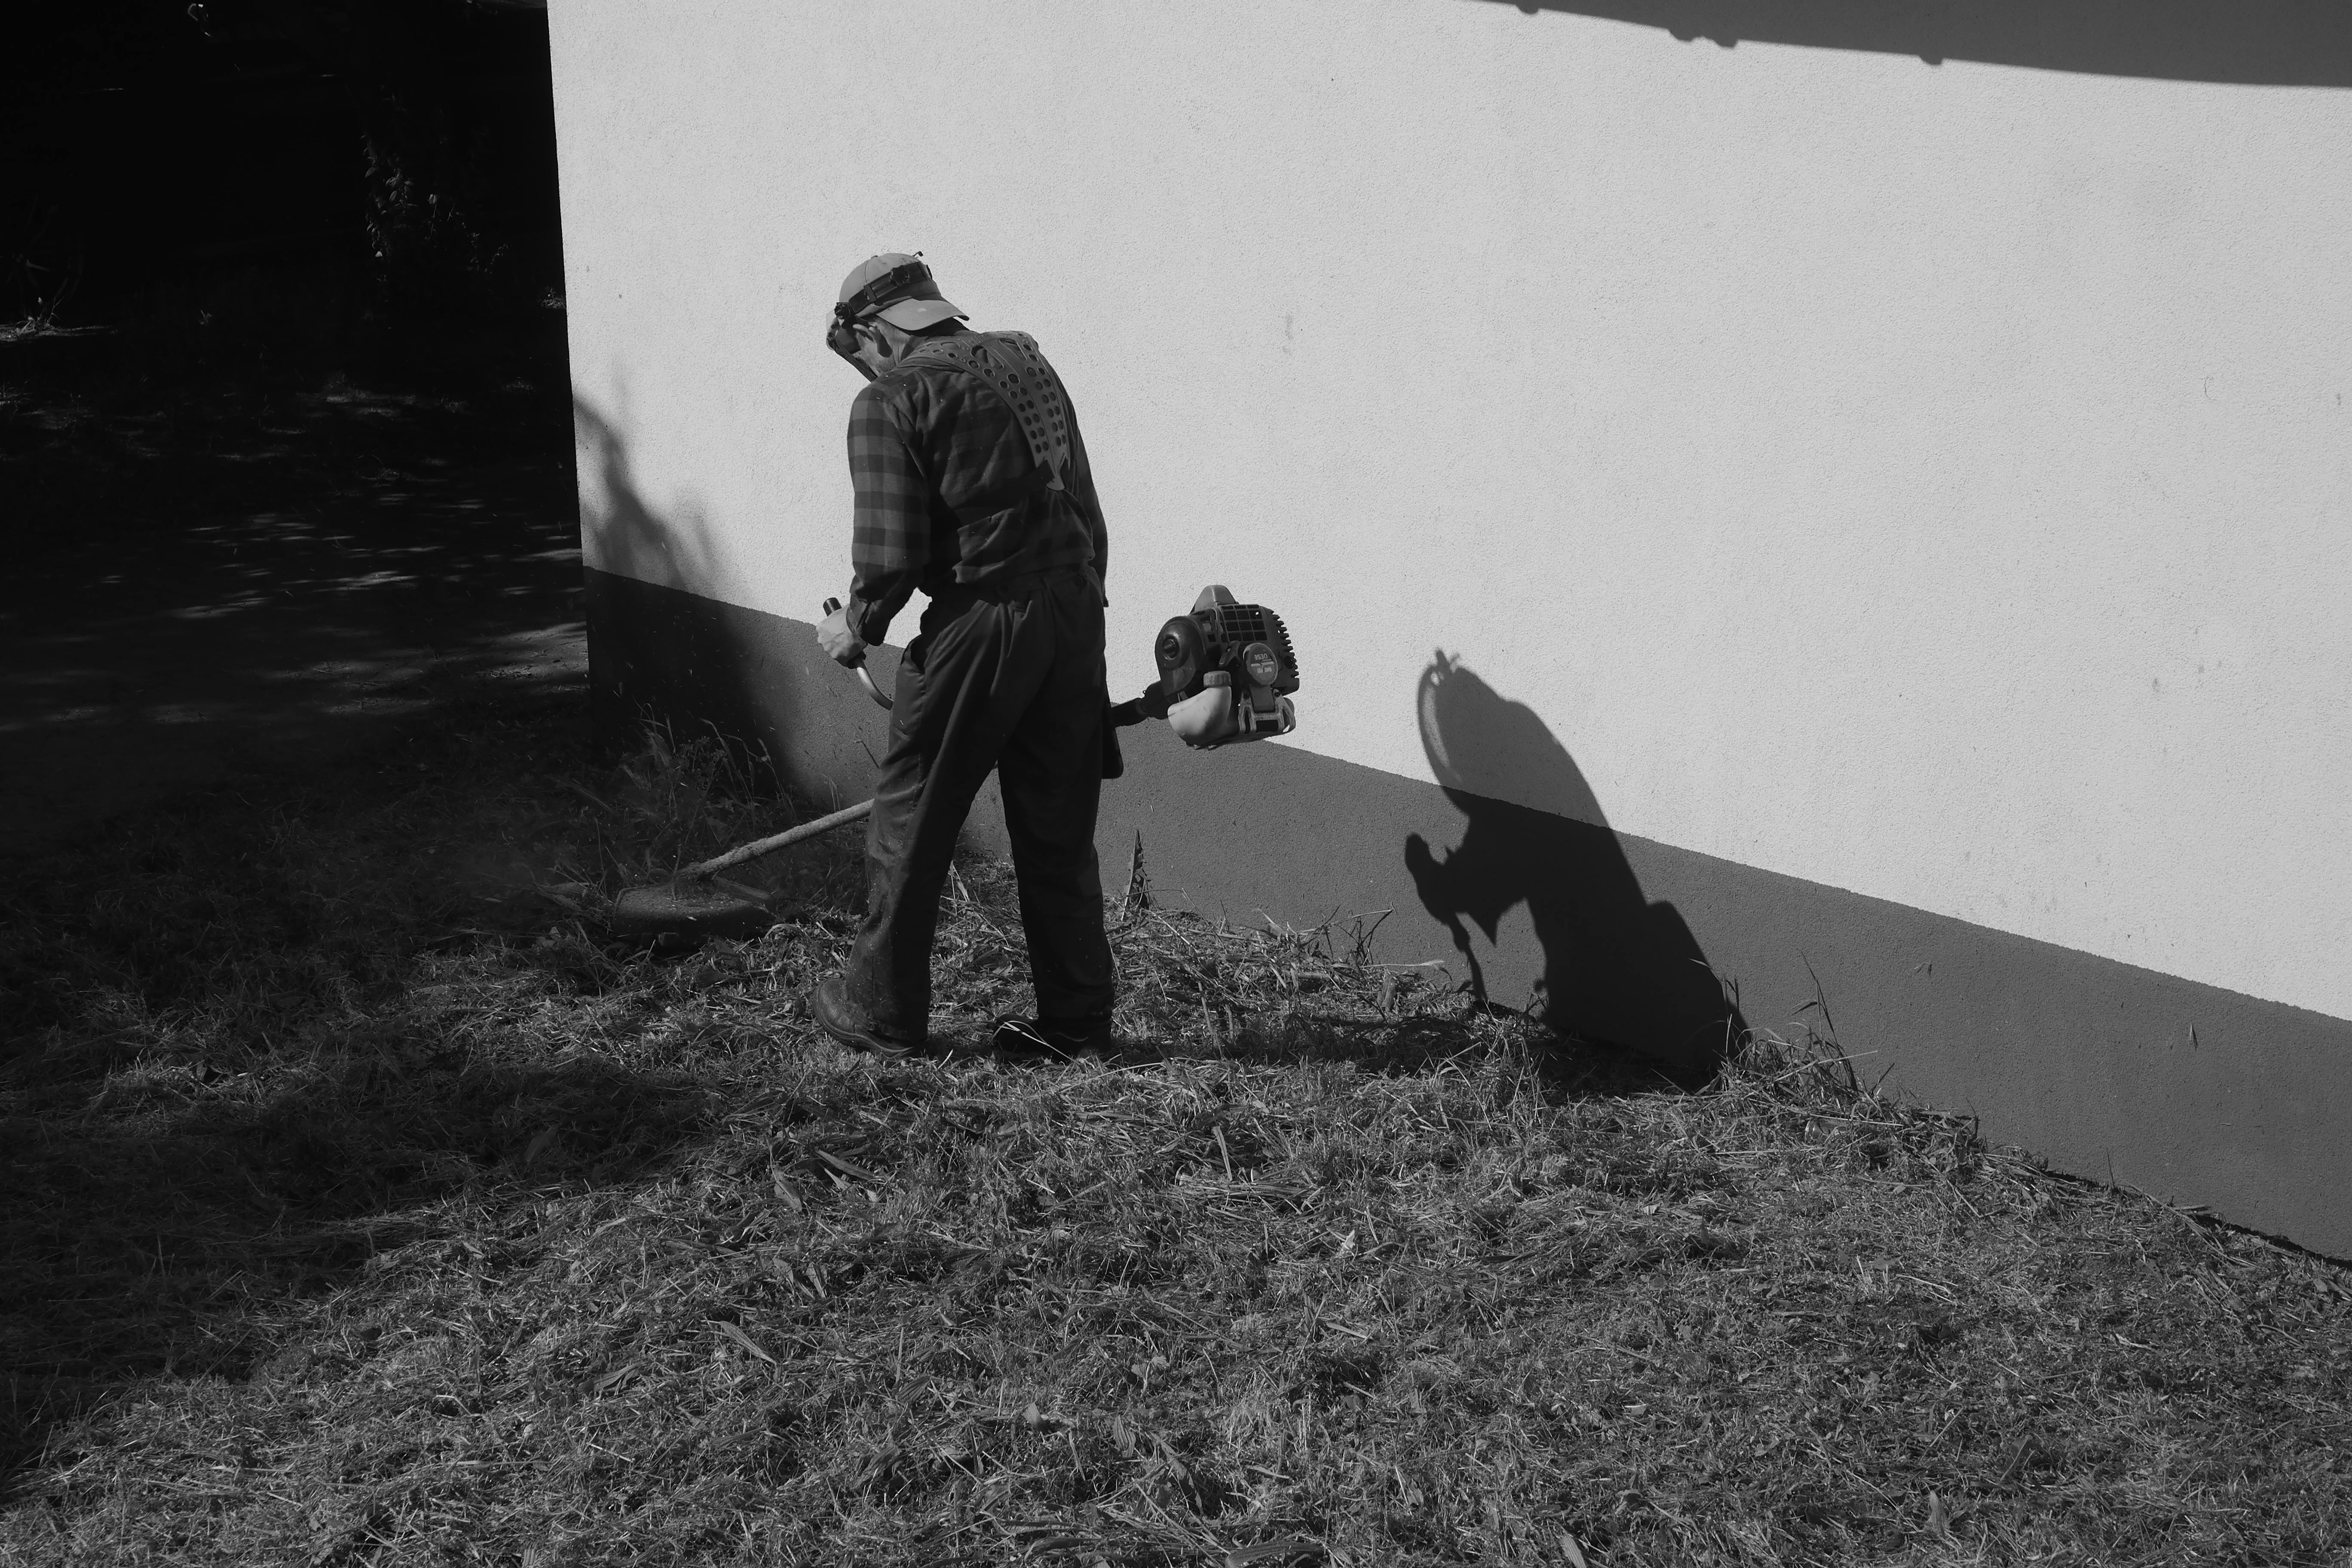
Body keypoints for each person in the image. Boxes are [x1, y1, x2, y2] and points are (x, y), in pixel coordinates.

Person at [809, 253, 1118, 1057]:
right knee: (1056, 827)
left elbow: (890, 558)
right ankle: (1077, 1021)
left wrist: (858, 627)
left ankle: (878, 1012)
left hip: (983, 623)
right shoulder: (1027, 361)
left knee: (910, 820)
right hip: (1076, 602)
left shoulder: (892, 398)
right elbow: (1085, 503)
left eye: (859, 350)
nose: (863, 366)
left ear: (874, 332)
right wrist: (1080, 619)